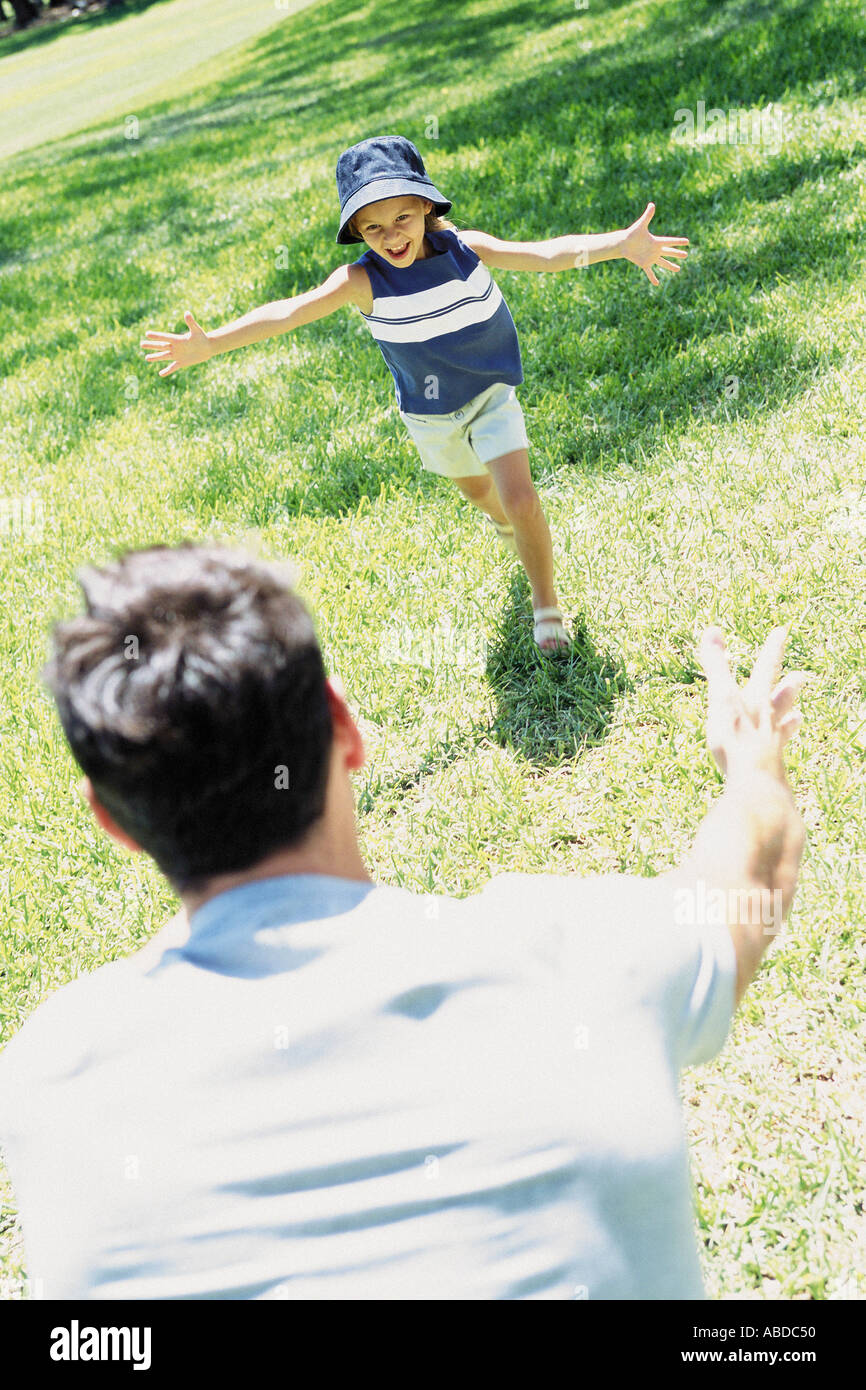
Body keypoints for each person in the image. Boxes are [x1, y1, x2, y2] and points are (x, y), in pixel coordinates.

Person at [0, 544, 805, 1300]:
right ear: (345, 728)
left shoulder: (47, 1085)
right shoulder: (581, 953)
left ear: (113, 821)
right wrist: (750, 762)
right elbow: (752, 875)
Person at [140, 135, 689, 652]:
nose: (391, 235)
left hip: (490, 394)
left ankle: (546, 604)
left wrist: (619, 244)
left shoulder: (465, 249)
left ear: (427, 207)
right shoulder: (360, 282)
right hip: (430, 416)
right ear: (357, 231)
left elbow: (545, 254)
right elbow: (289, 312)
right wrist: (212, 344)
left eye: (401, 216)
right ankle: (501, 520)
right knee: (481, 495)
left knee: (522, 498)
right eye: (372, 226)